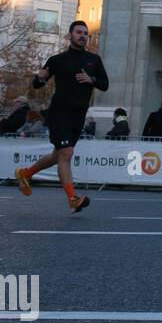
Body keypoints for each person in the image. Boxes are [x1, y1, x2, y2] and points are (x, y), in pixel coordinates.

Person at [14, 20, 108, 213]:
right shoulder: (57, 60)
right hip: (59, 112)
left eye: (85, 33)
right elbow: (38, 84)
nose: (83, 36)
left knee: (59, 155)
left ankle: (25, 173)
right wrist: (39, 77)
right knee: (66, 153)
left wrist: (92, 79)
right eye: (79, 32)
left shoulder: (94, 60)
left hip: (79, 114)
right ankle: (72, 198)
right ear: (70, 35)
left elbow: (105, 84)